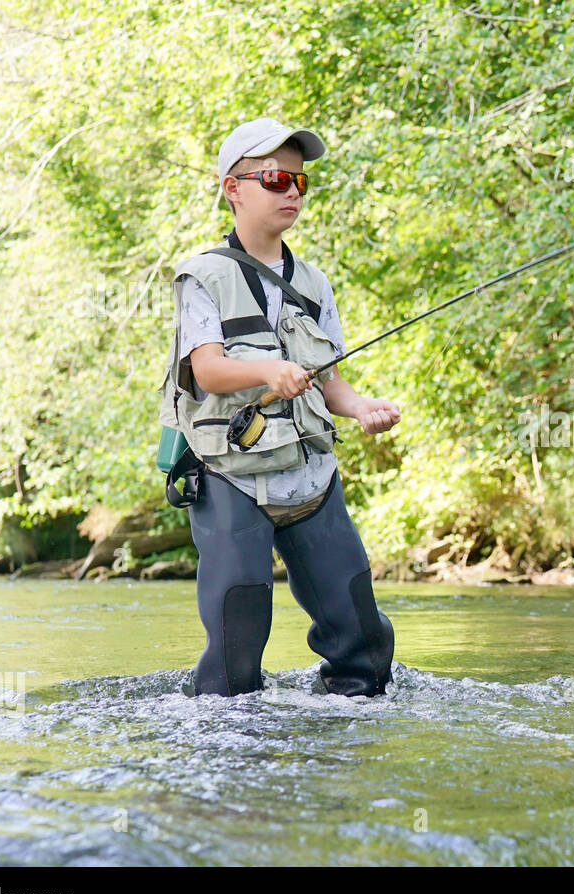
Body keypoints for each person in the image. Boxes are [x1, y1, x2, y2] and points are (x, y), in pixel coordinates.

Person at [156, 117, 401, 698]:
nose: (291, 190)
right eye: (273, 178)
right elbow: (209, 370)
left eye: (298, 181)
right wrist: (269, 369)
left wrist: (362, 408)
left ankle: (344, 736)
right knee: (235, 659)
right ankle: (229, 751)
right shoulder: (203, 277)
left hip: (311, 476)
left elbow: (331, 386)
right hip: (229, 478)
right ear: (232, 188)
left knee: (363, 645)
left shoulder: (315, 283)